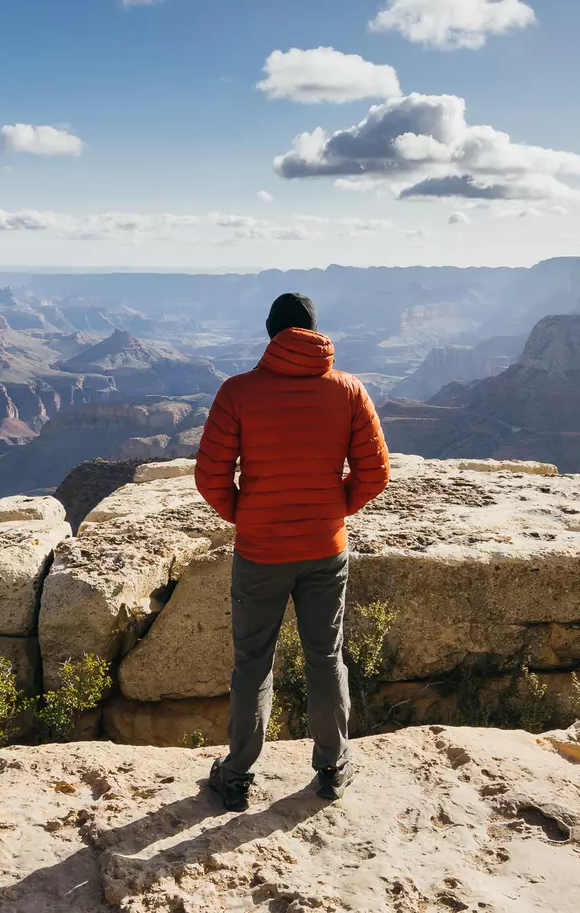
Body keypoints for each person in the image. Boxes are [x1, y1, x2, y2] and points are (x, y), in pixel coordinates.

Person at [194, 292, 390, 810]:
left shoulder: (238, 392)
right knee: (325, 657)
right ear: (314, 331)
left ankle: (236, 774)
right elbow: (375, 473)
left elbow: (210, 475)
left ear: (270, 334)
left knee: (253, 664)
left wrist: (247, 514)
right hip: (325, 551)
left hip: (260, 552)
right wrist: (333, 509)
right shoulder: (348, 390)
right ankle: (331, 767)